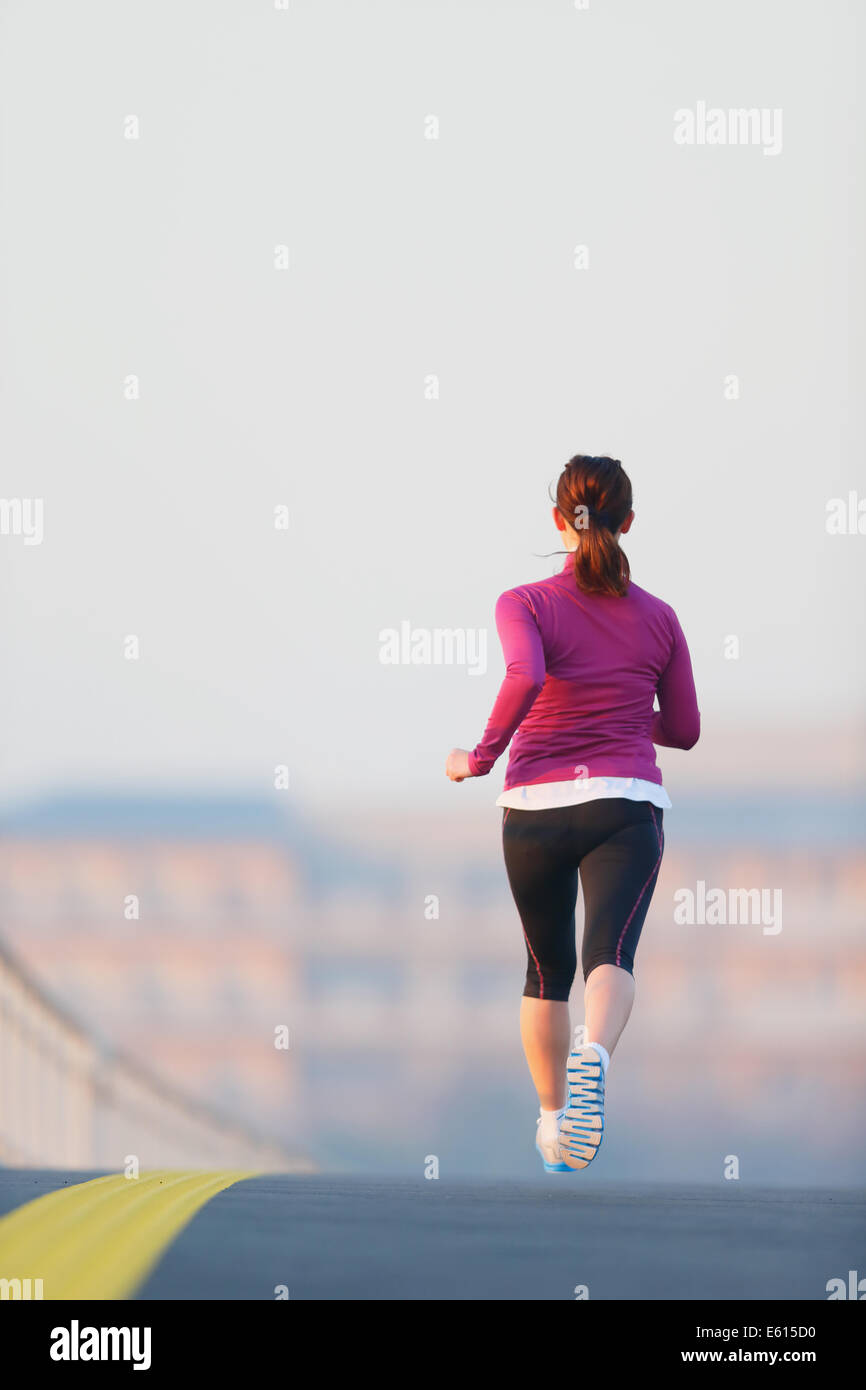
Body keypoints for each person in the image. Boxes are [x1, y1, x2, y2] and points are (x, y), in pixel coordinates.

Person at [445, 455, 700, 1172]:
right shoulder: (660, 617)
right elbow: (682, 729)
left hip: (534, 809)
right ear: (628, 523)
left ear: (558, 520)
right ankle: (596, 1056)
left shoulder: (523, 602)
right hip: (624, 807)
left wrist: (479, 756)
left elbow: (526, 675)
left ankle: (554, 1119)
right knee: (609, 955)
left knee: (544, 970)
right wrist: (621, 716)